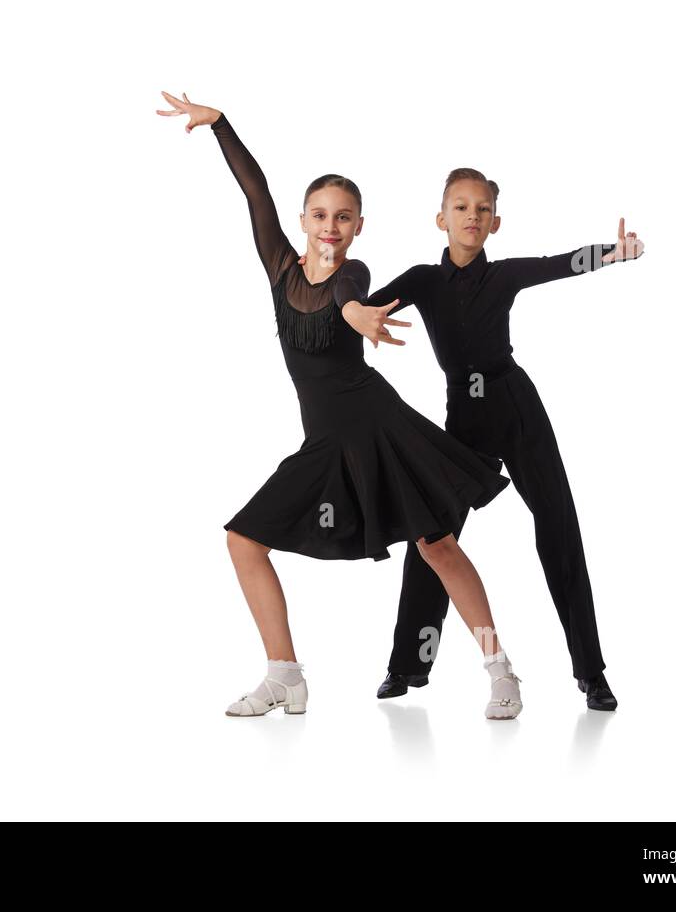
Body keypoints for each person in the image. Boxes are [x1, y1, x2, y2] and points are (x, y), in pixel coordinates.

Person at [156, 91, 521, 720]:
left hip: (381, 431)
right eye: (321, 214)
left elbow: (350, 296)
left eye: (344, 217)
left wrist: (357, 315)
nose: (331, 225)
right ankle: (284, 676)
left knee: (439, 548)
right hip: (324, 444)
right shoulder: (278, 267)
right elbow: (254, 192)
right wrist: (220, 125)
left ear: (357, 227)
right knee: (244, 541)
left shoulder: (355, 274)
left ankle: (501, 671)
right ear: (302, 221)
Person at [358, 169, 644, 711]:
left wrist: (614, 251)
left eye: (482, 209)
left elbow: (561, 264)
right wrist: (330, 287)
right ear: (441, 218)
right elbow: (364, 305)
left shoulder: (505, 275)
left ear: (494, 222)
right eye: (461, 207)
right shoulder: (423, 280)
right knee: (432, 536)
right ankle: (406, 666)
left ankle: (591, 672)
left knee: (557, 526)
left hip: (516, 410)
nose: (472, 215)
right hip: (464, 420)